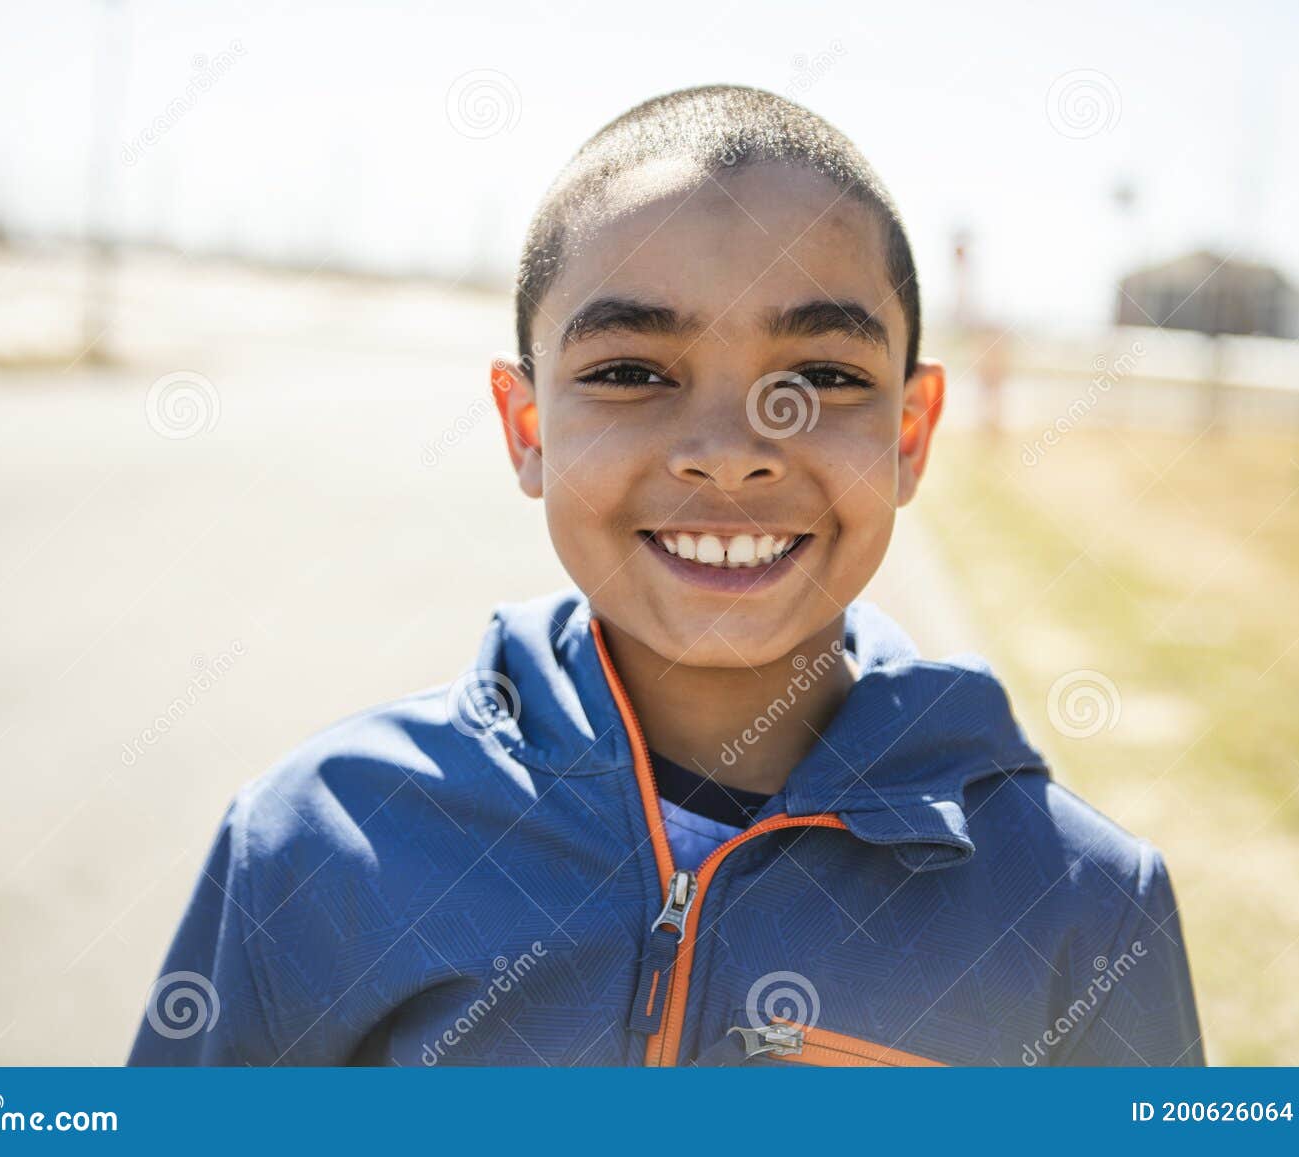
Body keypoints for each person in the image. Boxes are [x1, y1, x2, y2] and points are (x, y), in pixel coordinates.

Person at [129, 84, 1202, 1067]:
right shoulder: (319, 841)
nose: (729, 449)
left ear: (911, 432)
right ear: (526, 426)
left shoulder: (1075, 909)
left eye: (823, 375)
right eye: (631, 372)